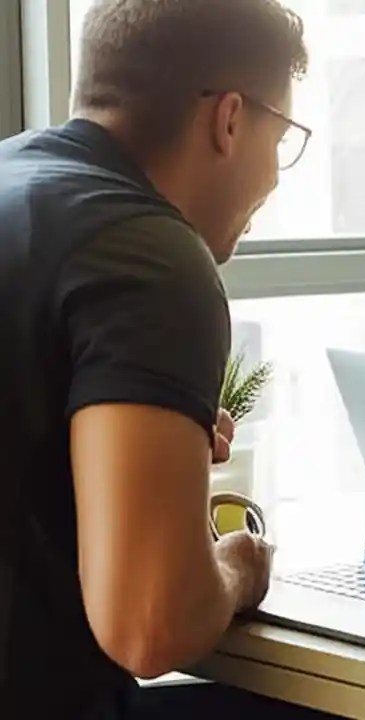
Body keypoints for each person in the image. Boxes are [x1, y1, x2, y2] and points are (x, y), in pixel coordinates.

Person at [0, 1, 335, 717]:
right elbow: (149, 627)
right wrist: (239, 566)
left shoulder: (16, 187)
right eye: (285, 137)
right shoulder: (148, 256)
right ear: (231, 120)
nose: (275, 178)